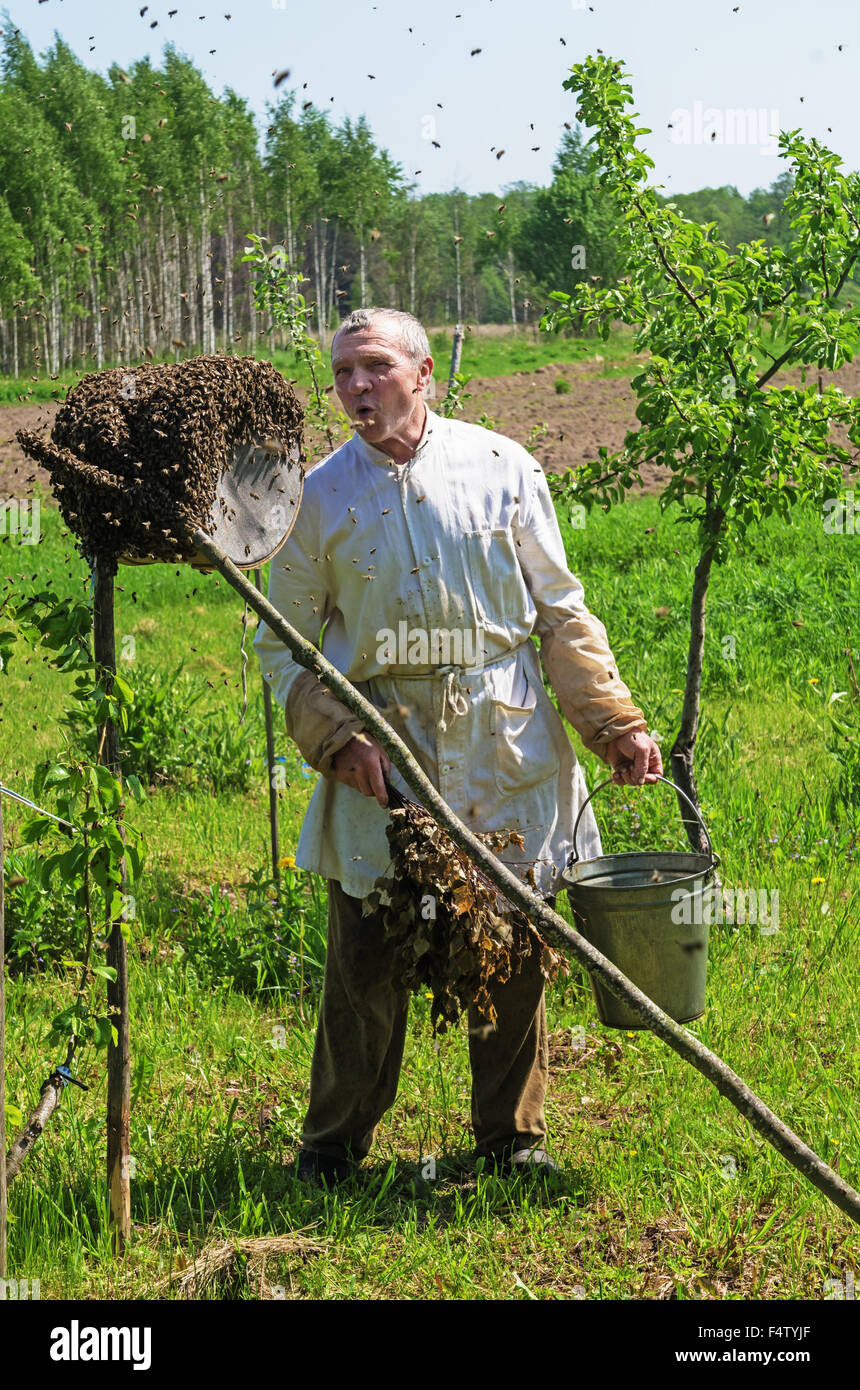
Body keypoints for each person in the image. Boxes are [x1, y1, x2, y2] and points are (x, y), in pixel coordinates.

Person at [254, 307, 662, 1185]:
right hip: (385, 752)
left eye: (373, 368)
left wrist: (613, 722)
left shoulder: (501, 467)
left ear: (424, 373)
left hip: (502, 735)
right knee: (366, 954)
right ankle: (332, 1150)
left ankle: (512, 1144)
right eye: (342, 375)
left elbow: (559, 612)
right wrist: (337, 737)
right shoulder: (315, 499)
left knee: (511, 946)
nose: (357, 388)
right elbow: (282, 642)